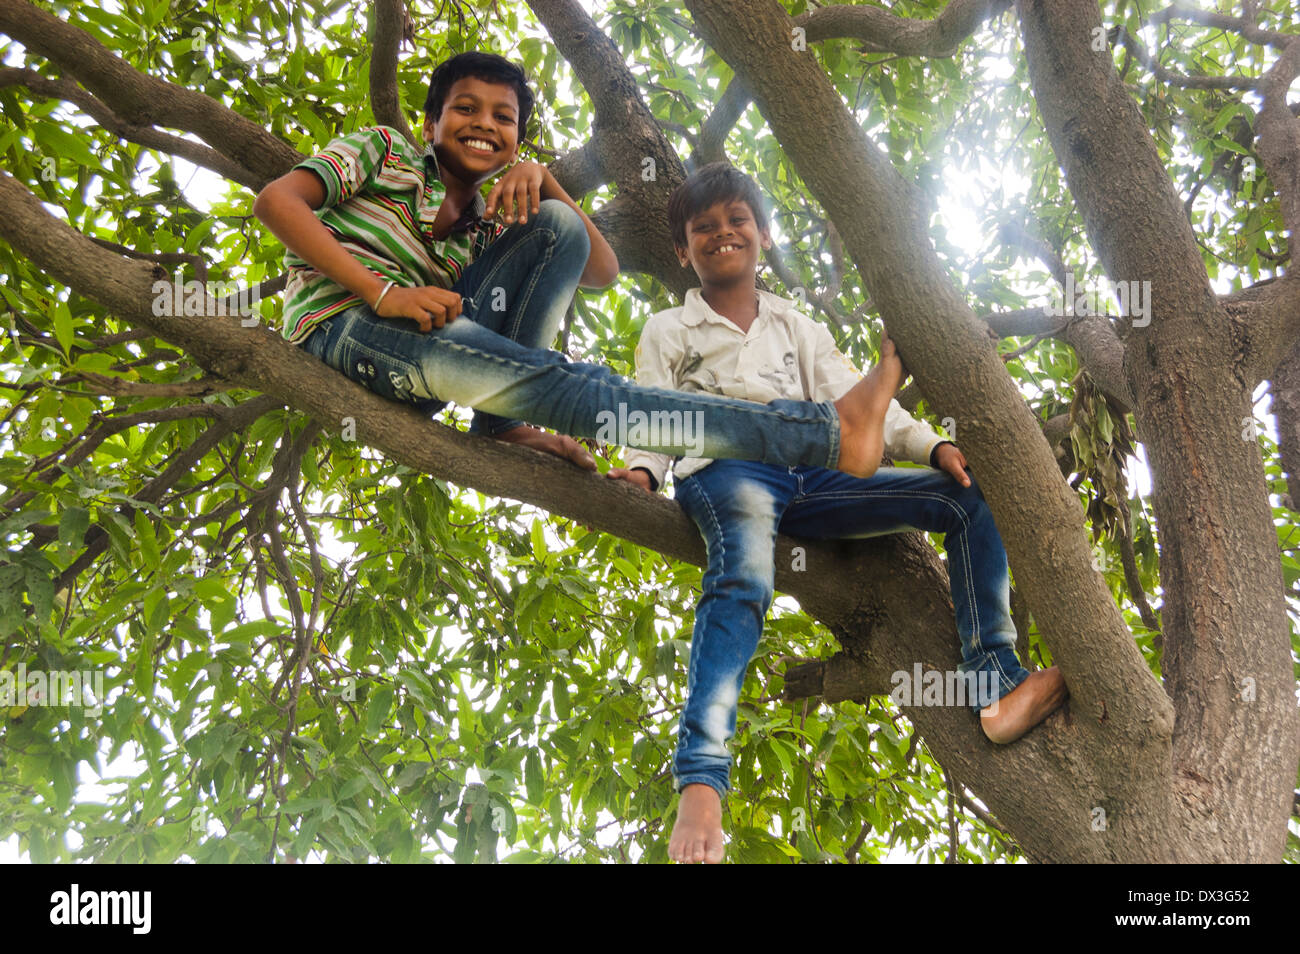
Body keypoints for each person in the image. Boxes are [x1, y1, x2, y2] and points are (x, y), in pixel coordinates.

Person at [606, 163, 1068, 864]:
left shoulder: (795, 323)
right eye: (703, 228)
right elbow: (652, 409)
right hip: (728, 471)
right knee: (742, 582)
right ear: (682, 252)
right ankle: (701, 780)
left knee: (965, 496)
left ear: (762, 234)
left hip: (816, 472)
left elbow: (847, 394)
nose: (722, 234)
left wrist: (933, 443)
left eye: (737, 221)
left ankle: (997, 687)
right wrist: (643, 469)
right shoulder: (672, 327)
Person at [253, 52, 904, 479]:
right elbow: (278, 201)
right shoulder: (385, 150)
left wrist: (548, 183)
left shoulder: (487, 221)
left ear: (515, 136)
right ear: (429, 124)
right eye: (466, 109)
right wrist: (384, 291)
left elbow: (602, 269)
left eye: (503, 118)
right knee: (574, 387)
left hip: (420, 356)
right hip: (343, 326)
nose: (484, 124)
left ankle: (500, 421)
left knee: (558, 224)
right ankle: (821, 436)